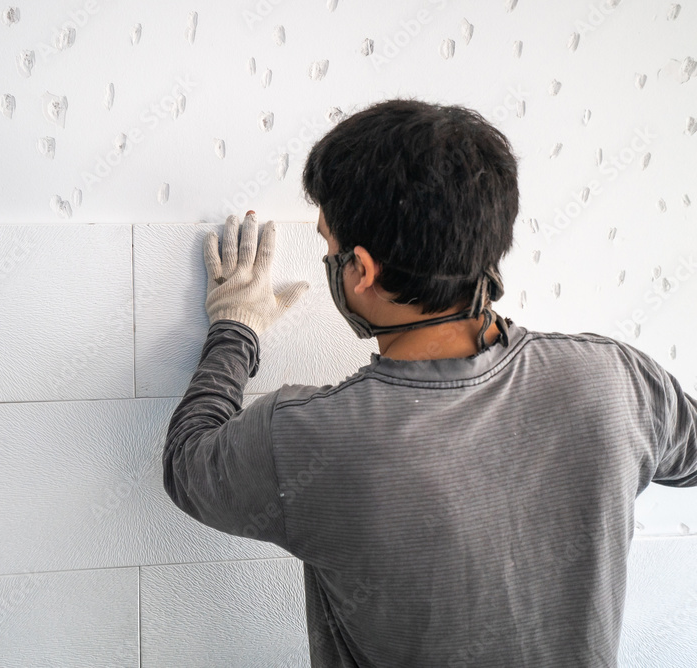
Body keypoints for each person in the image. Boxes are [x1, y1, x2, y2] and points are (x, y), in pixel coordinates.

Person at [162, 98, 697, 667]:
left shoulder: (306, 437)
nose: (327, 256)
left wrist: (235, 328)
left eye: (328, 246)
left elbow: (187, 462)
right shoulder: (617, 381)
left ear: (361, 271)